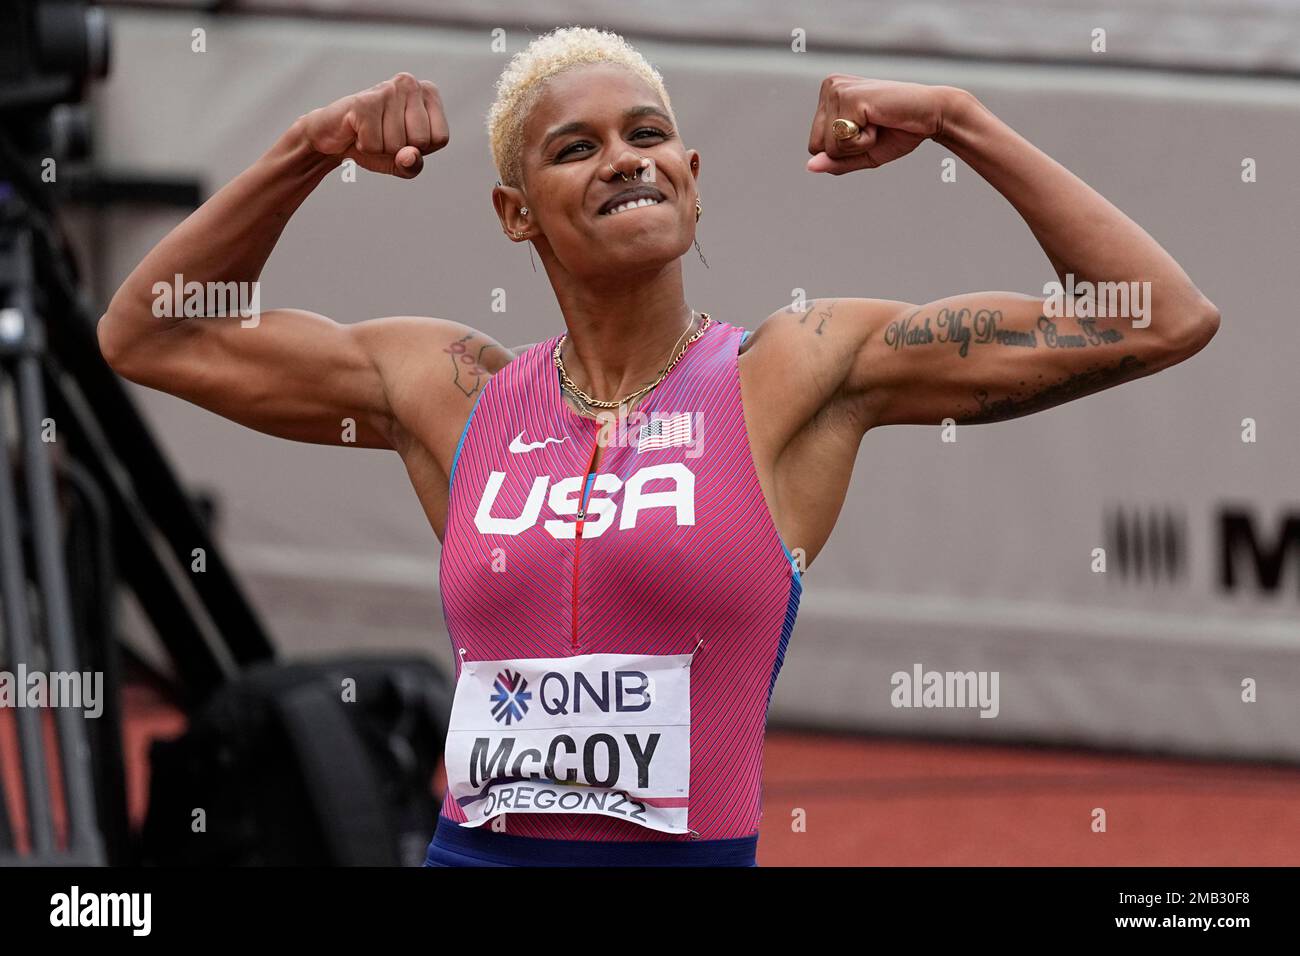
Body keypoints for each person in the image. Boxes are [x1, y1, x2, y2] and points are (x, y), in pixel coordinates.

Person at [97, 26, 1219, 867]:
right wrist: (310, 145)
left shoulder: (792, 371)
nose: (624, 160)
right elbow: (148, 332)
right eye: (575, 148)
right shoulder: (453, 393)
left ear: (691, 173)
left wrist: (959, 120)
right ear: (514, 214)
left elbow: (1154, 315)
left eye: (647, 136)